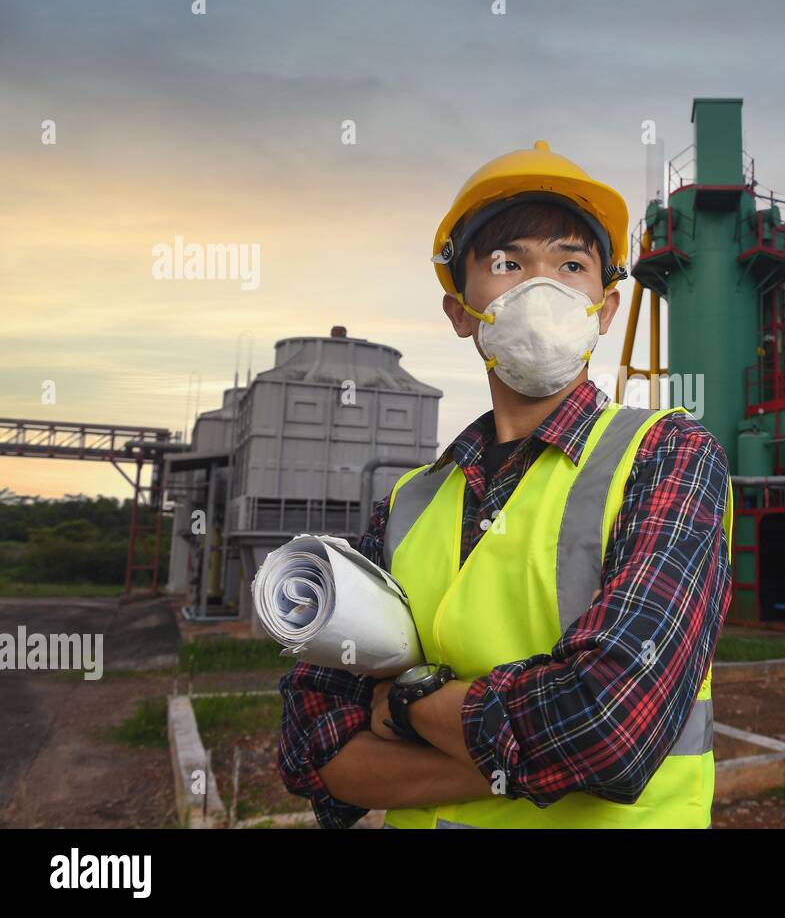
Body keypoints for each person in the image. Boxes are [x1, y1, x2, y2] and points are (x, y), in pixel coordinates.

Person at [277, 140, 734, 828]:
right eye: (507, 263)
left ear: (604, 312)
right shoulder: (410, 503)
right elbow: (313, 746)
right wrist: (515, 755)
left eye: (571, 264)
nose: (540, 288)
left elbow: (608, 729)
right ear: (461, 310)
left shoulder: (668, 456)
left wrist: (405, 704)